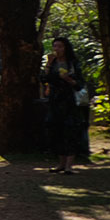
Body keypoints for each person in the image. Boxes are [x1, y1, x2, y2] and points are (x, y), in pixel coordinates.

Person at [44, 36, 86, 175]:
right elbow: (44, 78)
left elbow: (80, 84)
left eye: (60, 46)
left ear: (66, 48)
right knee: (56, 130)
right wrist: (49, 64)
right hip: (55, 100)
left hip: (69, 100)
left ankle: (69, 165)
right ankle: (60, 163)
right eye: (55, 46)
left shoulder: (73, 63)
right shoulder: (53, 62)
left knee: (70, 130)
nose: (57, 49)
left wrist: (68, 79)